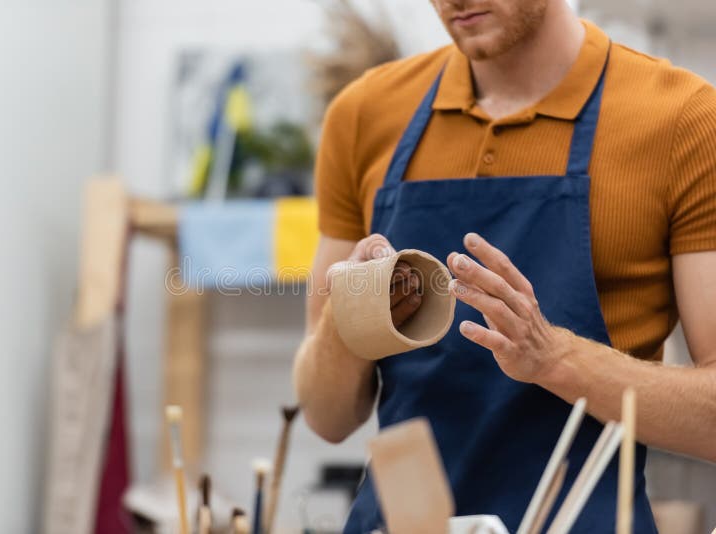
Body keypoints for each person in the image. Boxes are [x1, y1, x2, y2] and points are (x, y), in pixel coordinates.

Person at [293, 0, 716, 532]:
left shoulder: (683, 121)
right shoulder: (364, 115)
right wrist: (347, 317)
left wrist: (555, 358)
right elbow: (325, 417)